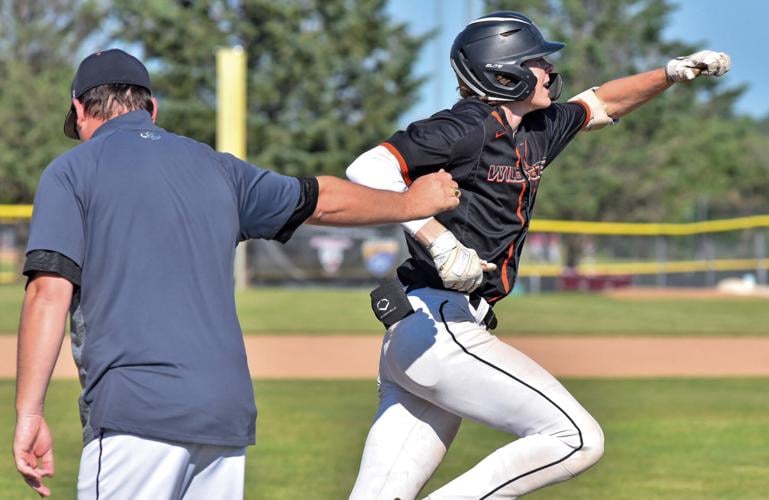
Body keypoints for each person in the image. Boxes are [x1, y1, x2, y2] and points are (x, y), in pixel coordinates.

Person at [12, 48, 462, 499]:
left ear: (79, 110)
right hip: (223, 421)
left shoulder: (71, 171)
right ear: (151, 107)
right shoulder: (218, 167)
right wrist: (410, 204)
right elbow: (320, 199)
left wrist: (29, 413)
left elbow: (48, 294)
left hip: (134, 414)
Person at [345, 11, 730, 500]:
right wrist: (438, 239)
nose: (549, 69)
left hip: (432, 329)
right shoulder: (464, 126)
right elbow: (368, 168)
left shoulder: (537, 126)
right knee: (576, 439)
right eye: (537, 61)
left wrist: (670, 74)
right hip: (437, 323)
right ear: (503, 72)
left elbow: (603, 103)